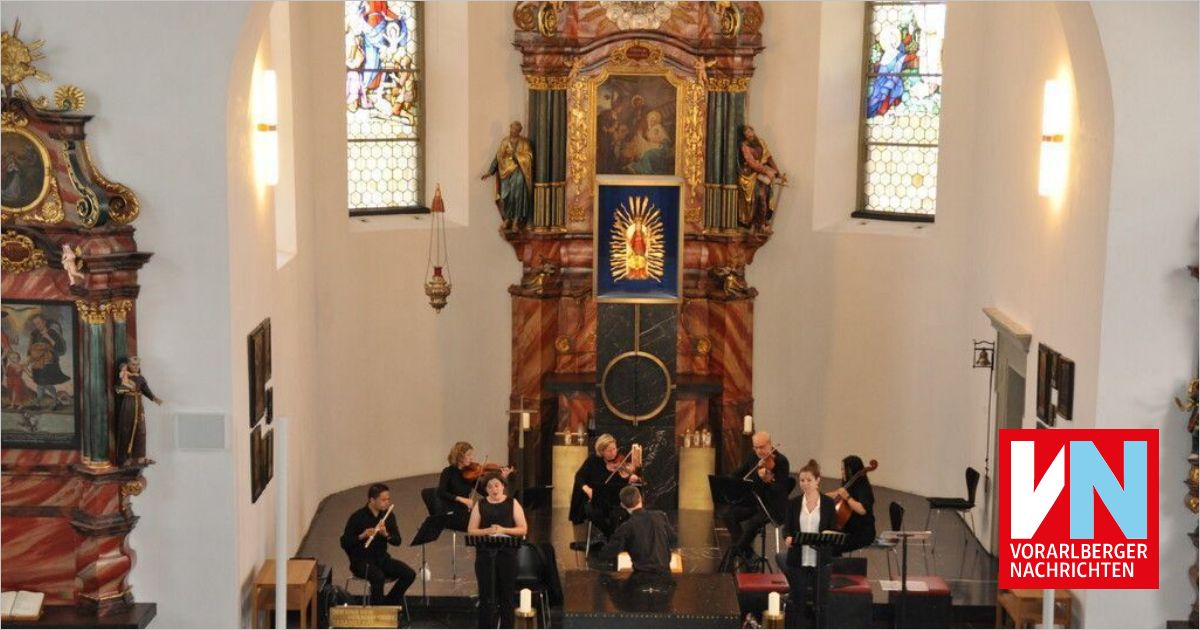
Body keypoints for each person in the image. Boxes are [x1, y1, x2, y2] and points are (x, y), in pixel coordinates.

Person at [467, 472, 528, 629]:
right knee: (486, 595)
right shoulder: (480, 505)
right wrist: (488, 530)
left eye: (497, 485)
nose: (494, 489)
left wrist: (503, 529)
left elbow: (523, 529)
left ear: (503, 486)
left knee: (507, 596)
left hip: (507, 555)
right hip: (485, 556)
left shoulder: (512, 503)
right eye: (489, 486)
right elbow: (472, 530)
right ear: (485, 489)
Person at [340, 483, 416, 607]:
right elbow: (344, 542)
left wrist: (386, 534)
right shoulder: (357, 517)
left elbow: (397, 541)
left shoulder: (388, 516)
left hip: (382, 559)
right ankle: (377, 615)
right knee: (378, 576)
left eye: (388, 499)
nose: (387, 503)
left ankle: (387, 606)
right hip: (361, 562)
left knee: (409, 574)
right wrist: (362, 536)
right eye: (383, 500)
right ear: (372, 500)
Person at [723, 431, 790, 569]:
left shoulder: (781, 462)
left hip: (773, 506)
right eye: (756, 447)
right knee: (728, 514)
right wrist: (726, 480)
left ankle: (737, 551)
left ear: (770, 445)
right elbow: (741, 471)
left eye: (762, 447)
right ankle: (748, 554)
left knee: (753, 523)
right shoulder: (753, 456)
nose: (759, 451)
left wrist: (769, 479)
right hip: (756, 502)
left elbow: (780, 490)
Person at [782, 460, 837, 628]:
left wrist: (828, 536)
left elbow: (832, 529)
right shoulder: (793, 503)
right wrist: (788, 538)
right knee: (797, 602)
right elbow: (787, 529)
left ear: (818, 480)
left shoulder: (828, 503)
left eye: (809, 480)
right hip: (799, 559)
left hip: (821, 560)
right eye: (802, 480)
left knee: (821, 604)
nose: (805, 484)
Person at [569, 434, 641, 545]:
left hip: (615, 502)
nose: (614, 453)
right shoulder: (593, 461)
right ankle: (612, 537)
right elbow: (579, 476)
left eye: (614, 449)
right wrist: (587, 489)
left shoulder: (621, 463)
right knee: (591, 511)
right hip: (597, 501)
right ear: (601, 451)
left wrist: (630, 480)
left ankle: (612, 539)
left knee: (617, 515)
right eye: (609, 451)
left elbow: (622, 484)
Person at [599, 485, 677, 574]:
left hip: (641, 578)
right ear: (640, 498)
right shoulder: (660, 516)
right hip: (665, 577)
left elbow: (607, 553)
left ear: (623, 505)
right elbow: (673, 539)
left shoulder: (626, 527)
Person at [439, 441, 512, 532]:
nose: (471, 458)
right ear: (460, 456)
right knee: (484, 523)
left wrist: (502, 478)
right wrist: (463, 499)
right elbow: (441, 492)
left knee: (494, 518)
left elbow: (484, 493)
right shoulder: (448, 472)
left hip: (465, 512)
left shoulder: (469, 474)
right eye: (469, 455)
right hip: (451, 513)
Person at [481, 121, 534, 231]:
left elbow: (529, 156)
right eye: (511, 129)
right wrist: (490, 172)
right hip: (505, 174)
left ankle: (515, 220)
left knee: (518, 196)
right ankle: (507, 218)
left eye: (514, 130)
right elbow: (498, 157)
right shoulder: (505, 142)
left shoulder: (524, 142)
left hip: (518, 173)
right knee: (506, 196)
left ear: (518, 131)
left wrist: (517, 156)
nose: (511, 131)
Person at [736, 125, 787, 231]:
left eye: (750, 131)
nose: (749, 135)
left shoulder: (761, 142)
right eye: (746, 134)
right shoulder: (744, 146)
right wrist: (766, 171)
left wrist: (778, 173)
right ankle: (756, 223)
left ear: (753, 131)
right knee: (759, 195)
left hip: (763, 174)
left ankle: (763, 222)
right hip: (750, 175)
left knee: (766, 195)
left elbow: (769, 158)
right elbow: (752, 163)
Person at [115, 356, 162, 466]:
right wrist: (128, 388)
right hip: (128, 404)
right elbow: (118, 389)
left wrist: (154, 398)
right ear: (128, 365)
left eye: (138, 365)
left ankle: (140, 458)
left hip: (138, 405)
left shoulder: (140, 378)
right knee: (126, 430)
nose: (136, 367)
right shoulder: (124, 377)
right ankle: (124, 458)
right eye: (133, 365)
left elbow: (146, 389)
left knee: (141, 431)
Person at [826, 455, 876, 553]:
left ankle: (836, 567)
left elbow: (862, 510)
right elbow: (837, 493)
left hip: (862, 533)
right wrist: (821, 496)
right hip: (848, 528)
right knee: (825, 541)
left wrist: (848, 498)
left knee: (832, 547)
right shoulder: (849, 484)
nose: (842, 472)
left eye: (843, 469)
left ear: (851, 470)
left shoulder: (864, 488)